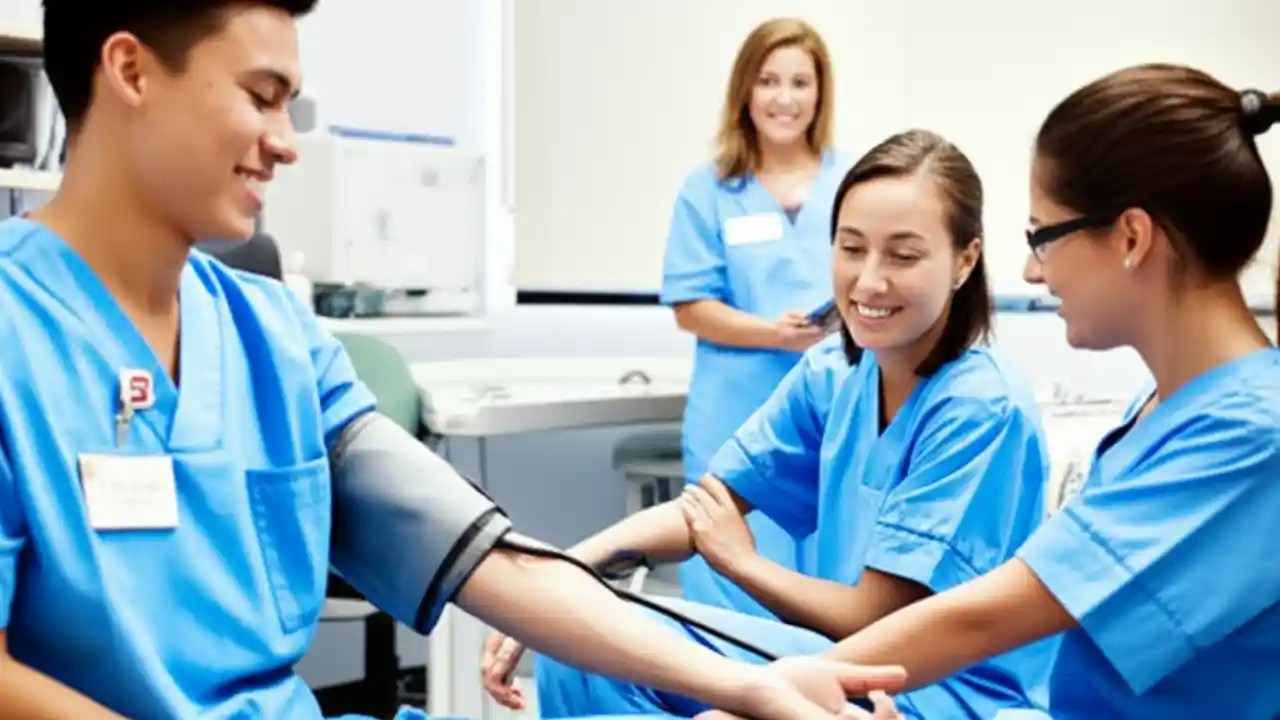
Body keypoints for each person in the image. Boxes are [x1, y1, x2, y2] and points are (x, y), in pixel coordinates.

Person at [0, 2, 911, 719]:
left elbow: (483, 557)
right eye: (261, 95)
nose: (286, 140)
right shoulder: (17, 333)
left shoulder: (270, 334)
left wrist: (745, 685)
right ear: (130, 71)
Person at [484, 130, 1060, 719]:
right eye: (851, 248)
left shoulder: (980, 408)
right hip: (833, 658)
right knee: (577, 636)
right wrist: (559, 574)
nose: (868, 281)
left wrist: (743, 564)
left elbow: (880, 618)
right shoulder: (835, 372)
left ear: (965, 261)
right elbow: (707, 508)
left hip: (938, 690)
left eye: (904, 255)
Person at [806, 64, 1280, 719]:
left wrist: (762, 697)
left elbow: (986, 620)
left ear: (1132, 238)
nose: (1031, 270)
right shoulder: (1164, 405)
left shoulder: (1253, 437)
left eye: (1042, 237)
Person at [660, 17, 854, 617]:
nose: (784, 98)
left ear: (820, 93)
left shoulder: (853, 179)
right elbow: (691, 307)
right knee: (729, 581)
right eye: (769, 81)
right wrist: (773, 334)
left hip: (835, 409)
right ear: (745, 89)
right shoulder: (710, 188)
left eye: (800, 82)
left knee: (830, 581)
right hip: (734, 415)